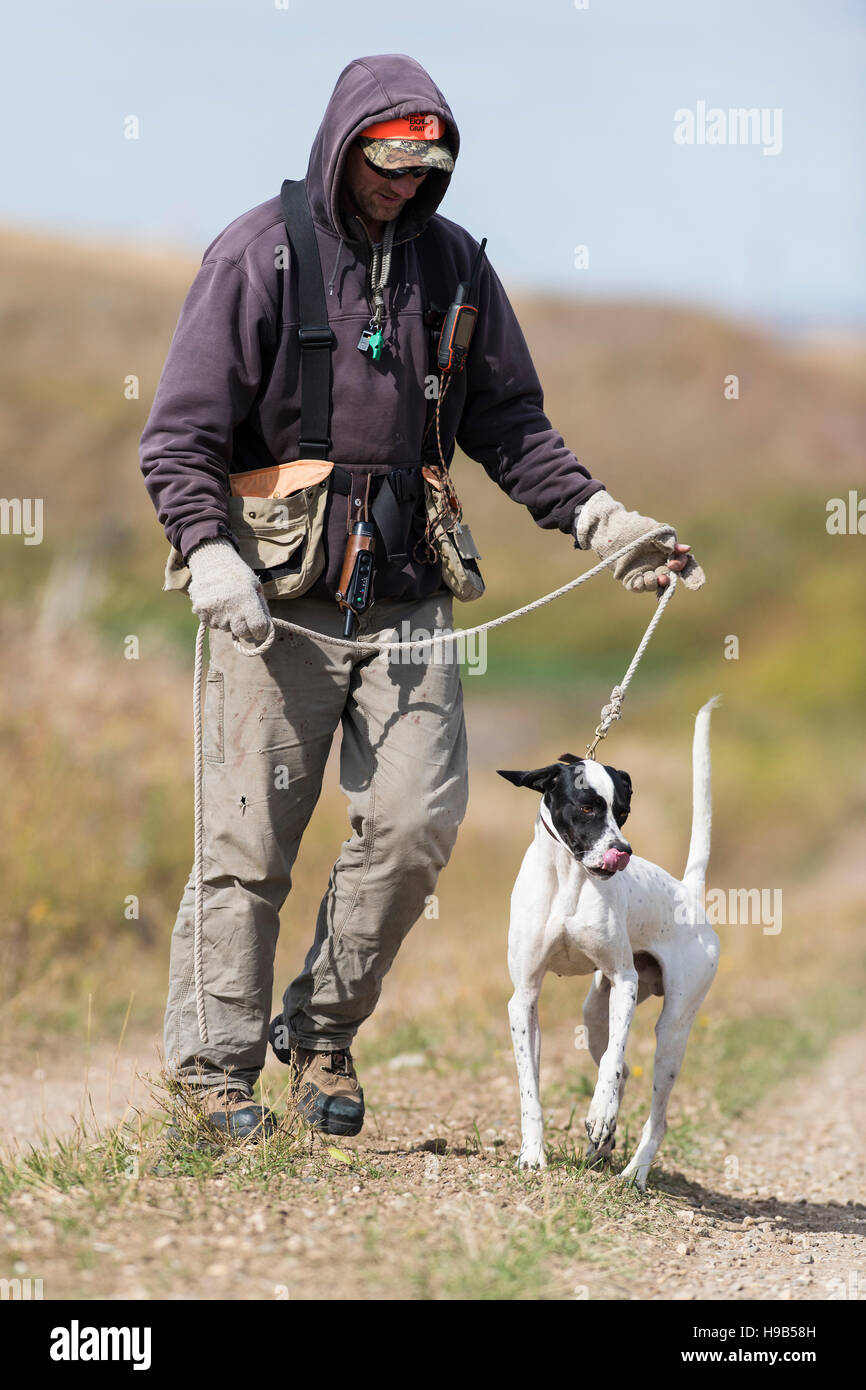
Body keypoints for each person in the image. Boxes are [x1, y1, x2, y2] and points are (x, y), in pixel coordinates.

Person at [139, 53, 703, 1142]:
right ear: (345, 146)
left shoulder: (454, 270)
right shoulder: (256, 254)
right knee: (247, 850)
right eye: (388, 160)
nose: (405, 181)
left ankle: (320, 1034)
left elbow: (512, 426)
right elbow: (179, 435)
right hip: (270, 603)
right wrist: (205, 551)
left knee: (415, 824)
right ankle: (212, 1073)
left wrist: (603, 522)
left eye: (425, 162)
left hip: (404, 601)